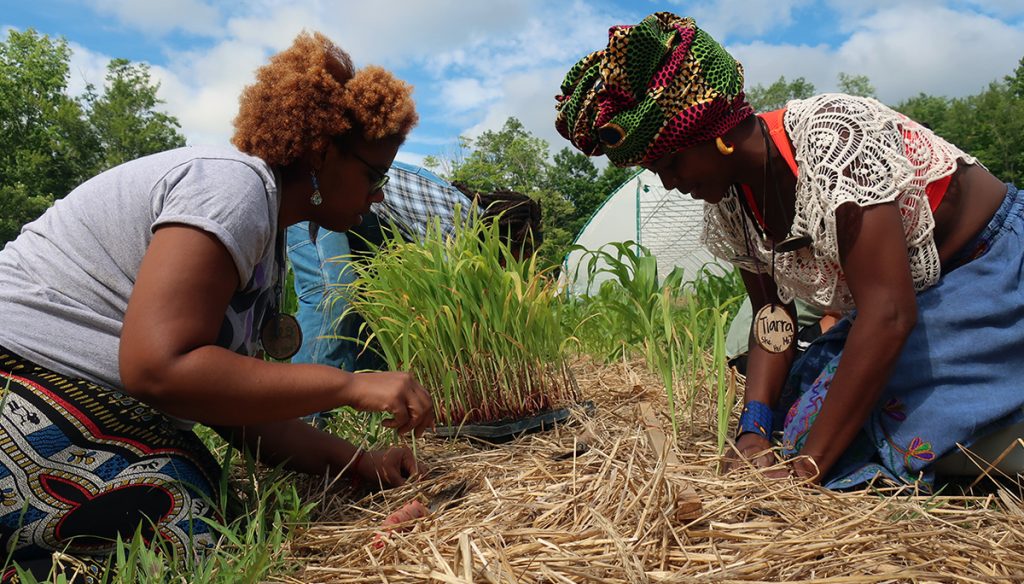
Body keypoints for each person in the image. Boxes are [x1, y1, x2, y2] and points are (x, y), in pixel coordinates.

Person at [0, 31, 434, 575]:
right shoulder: (233, 187)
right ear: (322, 153)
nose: (380, 196)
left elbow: (232, 407)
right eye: (374, 175)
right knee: (181, 540)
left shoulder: (267, 235)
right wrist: (348, 385)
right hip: (21, 378)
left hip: (80, 392)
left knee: (220, 514)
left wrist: (357, 464)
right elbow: (160, 368)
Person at [554, 12, 1024, 489]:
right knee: (797, 411)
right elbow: (771, 318)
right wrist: (753, 430)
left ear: (717, 135)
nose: (671, 183)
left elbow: (888, 315)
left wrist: (809, 468)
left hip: (992, 268)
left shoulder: (833, 140)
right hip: (918, 298)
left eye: (671, 163)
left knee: (867, 430)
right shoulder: (732, 204)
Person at [287, 161, 470, 374]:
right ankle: (306, 404)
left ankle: (362, 400)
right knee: (334, 293)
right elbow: (444, 297)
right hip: (322, 197)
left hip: (365, 220)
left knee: (376, 307)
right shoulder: (464, 221)